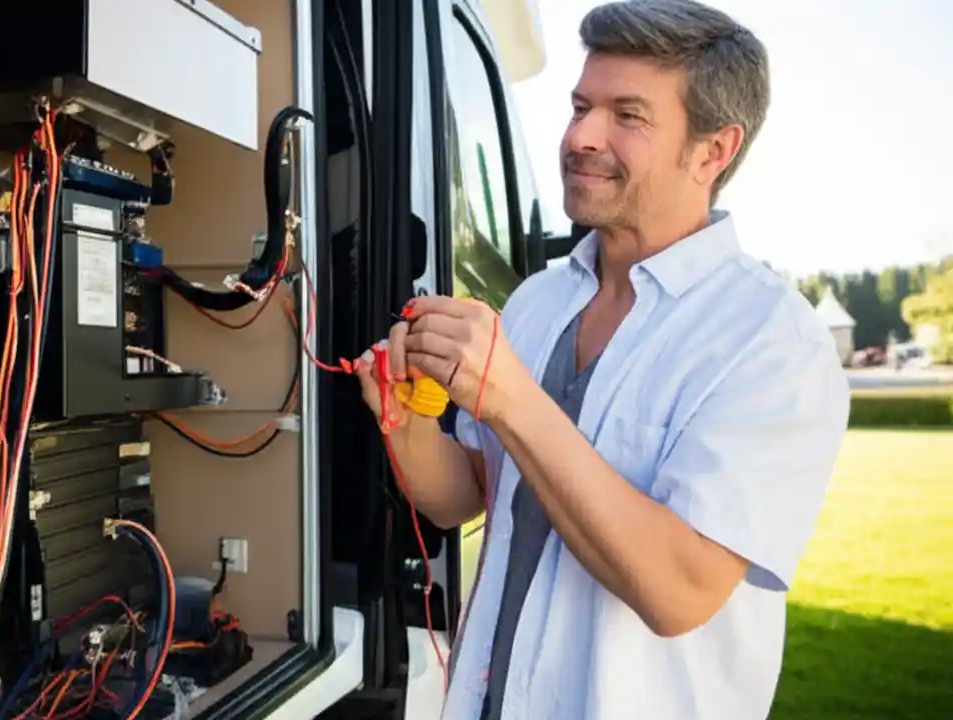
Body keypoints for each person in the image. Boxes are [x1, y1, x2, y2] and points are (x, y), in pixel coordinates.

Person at [353, 0, 850, 717]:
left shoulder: (772, 341)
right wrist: (404, 419)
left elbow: (678, 592)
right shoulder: (536, 302)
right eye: (581, 105)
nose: (582, 135)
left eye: (627, 115)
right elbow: (467, 493)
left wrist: (510, 396)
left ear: (714, 150)